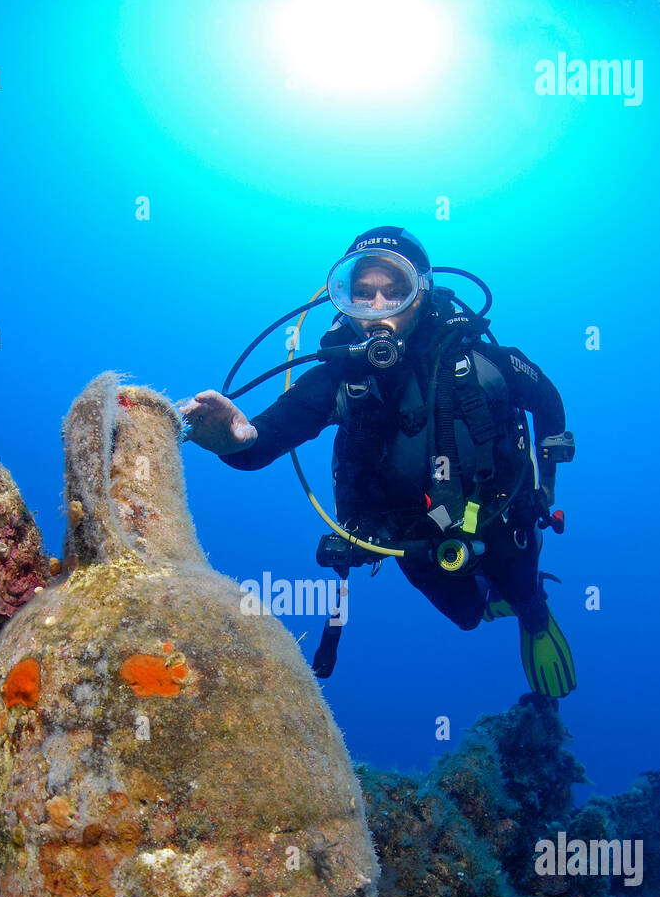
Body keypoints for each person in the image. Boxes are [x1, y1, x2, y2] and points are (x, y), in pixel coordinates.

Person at [180, 226, 576, 697]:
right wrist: (233, 440)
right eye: (363, 294)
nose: (378, 309)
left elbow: (547, 401)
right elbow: (260, 441)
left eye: (396, 291)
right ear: (342, 302)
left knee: (524, 593)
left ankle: (531, 613)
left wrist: (545, 486)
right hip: (409, 535)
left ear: (422, 294)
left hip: (494, 511)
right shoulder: (338, 379)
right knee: (467, 617)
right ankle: (491, 603)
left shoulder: (481, 359)